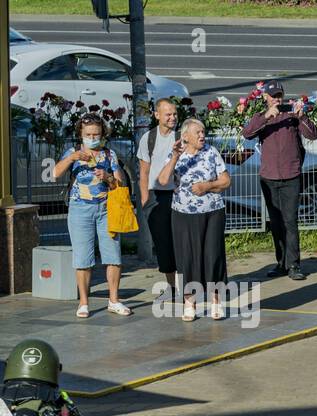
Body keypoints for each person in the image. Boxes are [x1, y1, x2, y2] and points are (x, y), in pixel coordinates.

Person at [51, 114, 132, 319]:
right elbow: (55, 173)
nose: (92, 137)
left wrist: (108, 177)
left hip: (106, 209)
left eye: (96, 134)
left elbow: (121, 185)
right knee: (83, 257)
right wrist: (72, 158)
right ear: (81, 134)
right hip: (80, 209)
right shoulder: (72, 152)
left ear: (102, 134)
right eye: (88, 134)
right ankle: (83, 302)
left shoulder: (109, 155)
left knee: (112, 254)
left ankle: (114, 300)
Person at [241, 80, 317, 281]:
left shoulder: (293, 114)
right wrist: (267, 116)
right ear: (265, 97)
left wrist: (302, 117)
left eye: (279, 95)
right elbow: (247, 133)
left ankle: (294, 264)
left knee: (290, 221)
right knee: (276, 223)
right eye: (273, 96)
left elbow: (313, 135)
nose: (277, 99)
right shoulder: (261, 117)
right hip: (269, 177)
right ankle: (281, 262)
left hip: (291, 175)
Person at [156, 118, 232, 321]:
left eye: (203, 131)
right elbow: (163, 180)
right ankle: (190, 303)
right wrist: (174, 157)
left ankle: (216, 301)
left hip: (212, 212)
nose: (202, 135)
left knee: (213, 255)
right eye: (197, 132)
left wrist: (207, 186)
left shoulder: (211, 151)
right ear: (185, 136)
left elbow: (226, 180)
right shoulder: (176, 154)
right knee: (187, 258)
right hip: (183, 215)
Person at [137, 98, 179, 305]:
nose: (172, 118)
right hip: (156, 196)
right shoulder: (148, 138)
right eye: (168, 114)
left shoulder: (181, 136)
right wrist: (145, 199)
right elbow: (143, 171)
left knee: (182, 242)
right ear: (157, 115)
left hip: (177, 195)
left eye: (174, 114)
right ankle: (172, 287)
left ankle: (191, 286)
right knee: (163, 245)